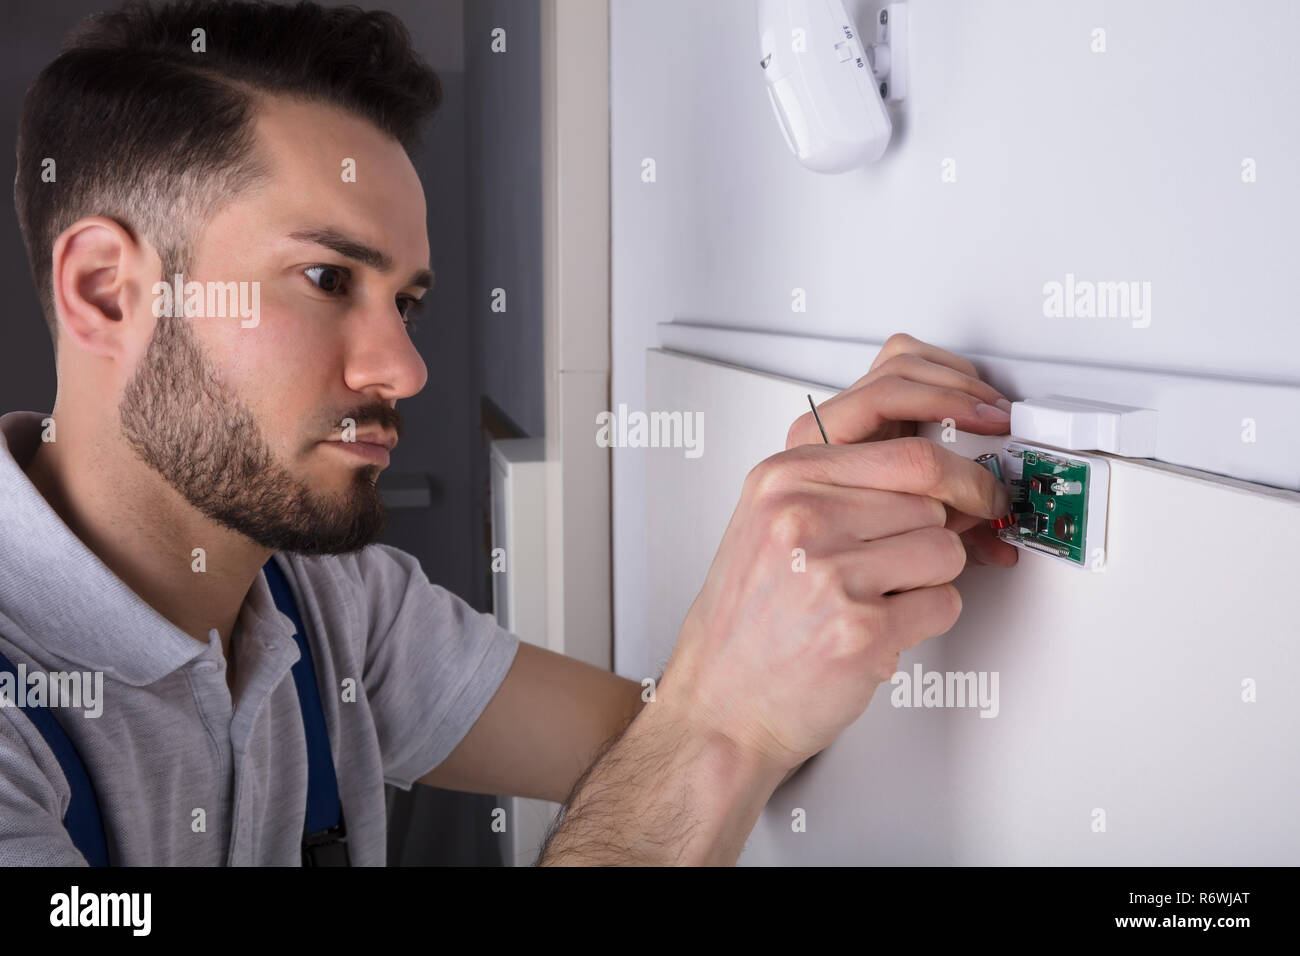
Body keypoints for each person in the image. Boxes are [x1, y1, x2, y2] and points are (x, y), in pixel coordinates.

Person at [0, 0, 1015, 867]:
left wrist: (802, 540)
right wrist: (724, 721)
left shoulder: (329, 608)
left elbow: (671, 736)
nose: (403, 368)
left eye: (407, 301)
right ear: (107, 291)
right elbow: (705, 731)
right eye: (327, 279)